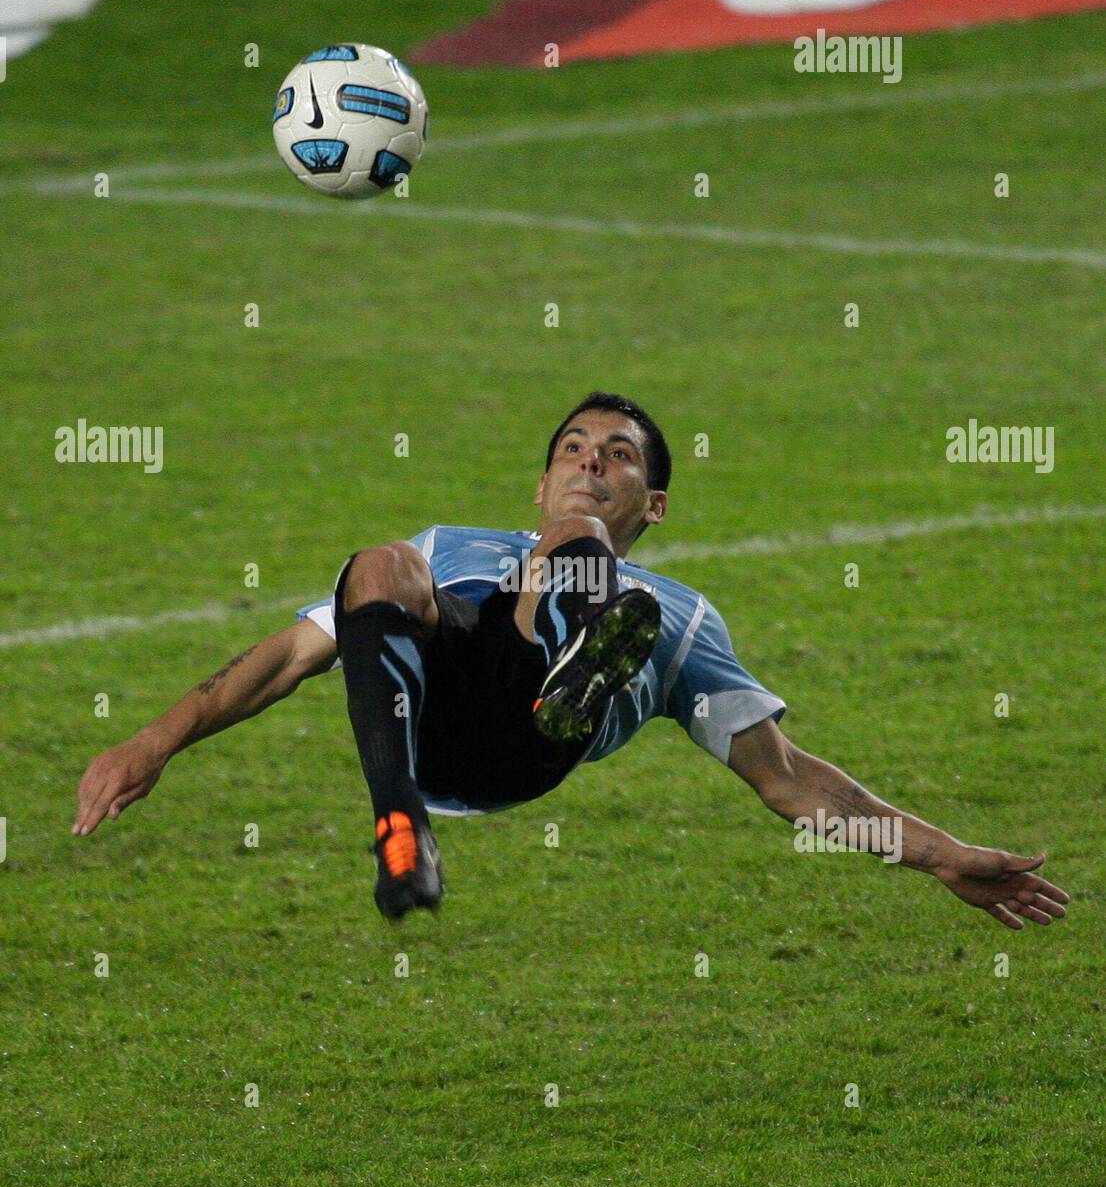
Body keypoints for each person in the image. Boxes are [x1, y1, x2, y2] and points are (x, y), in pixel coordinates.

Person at [74, 393, 1069, 929]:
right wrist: (152, 742)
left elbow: (791, 783)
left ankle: (570, 679)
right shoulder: (453, 542)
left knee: (576, 560)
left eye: (619, 455)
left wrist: (943, 856)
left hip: (529, 750)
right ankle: (399, 828)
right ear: (540, 474)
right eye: (573, 448)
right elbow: (285, 657)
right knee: (375, 567)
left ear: (656, 504)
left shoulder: (679, 620)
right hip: (435, 717)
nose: (590, 462)